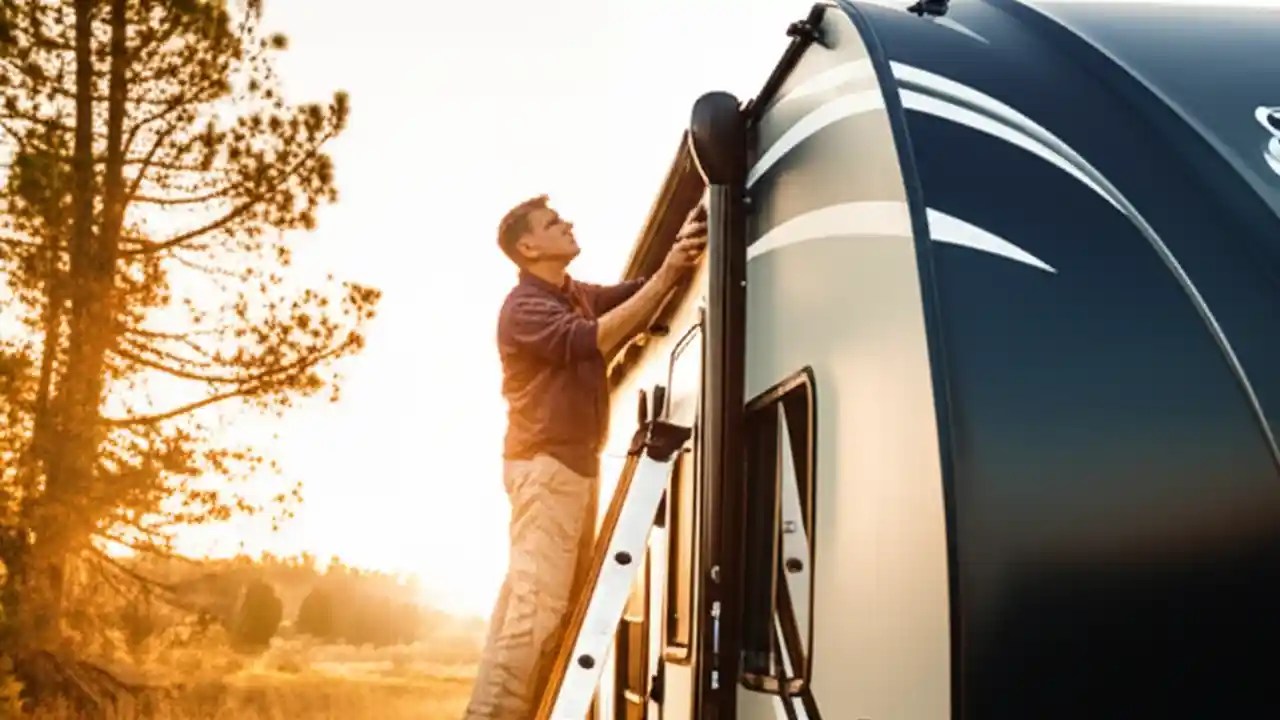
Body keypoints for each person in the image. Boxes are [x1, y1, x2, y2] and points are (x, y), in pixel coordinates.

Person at [463, 194, 707, 718]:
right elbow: (591, 341)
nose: (567, 222)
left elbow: (638, 296)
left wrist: (688, 245)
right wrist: (667, 274)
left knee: (547, 612)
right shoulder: (524, 308)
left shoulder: (572, 293)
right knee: (535, 615)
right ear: (528, 246)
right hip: (546, 468)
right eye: (553, 223)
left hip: (570, 468)